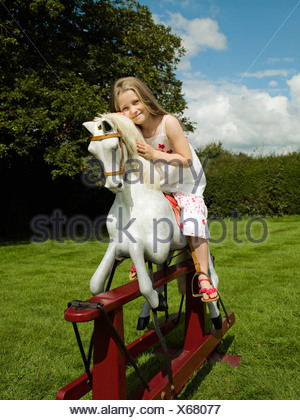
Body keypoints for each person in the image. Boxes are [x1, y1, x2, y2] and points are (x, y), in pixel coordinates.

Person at [109, 76, 218, 302]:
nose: (133, 110)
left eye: (136, 102)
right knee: (143, 212)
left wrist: (155, 154)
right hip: (160, 183)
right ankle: (140, 253)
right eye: (125, 108)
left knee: (193, 217)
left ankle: (204, 276)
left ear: (146, 98)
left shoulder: (168, 122)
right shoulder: (134, 130)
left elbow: (186, 159)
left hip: (186, 181)